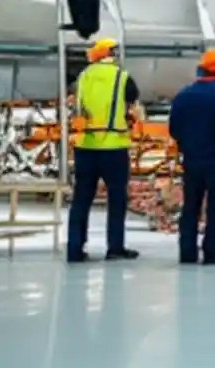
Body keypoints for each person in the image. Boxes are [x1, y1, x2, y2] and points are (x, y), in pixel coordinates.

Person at [67, 38, 141, 263]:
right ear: (111, 55)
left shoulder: (83, 76)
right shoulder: (122, 76)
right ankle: (115, 248)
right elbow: (132, 98)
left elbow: (74, 103)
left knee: (81, 199)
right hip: (114, 145)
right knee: (117, 199)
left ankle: (75, 249)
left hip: (86, 145)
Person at [168, 49, 215, 265]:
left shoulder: (183, 95)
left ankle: (187, 252)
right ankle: (212, 252)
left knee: (190, 205)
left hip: (191, 159)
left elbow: (173, 129)